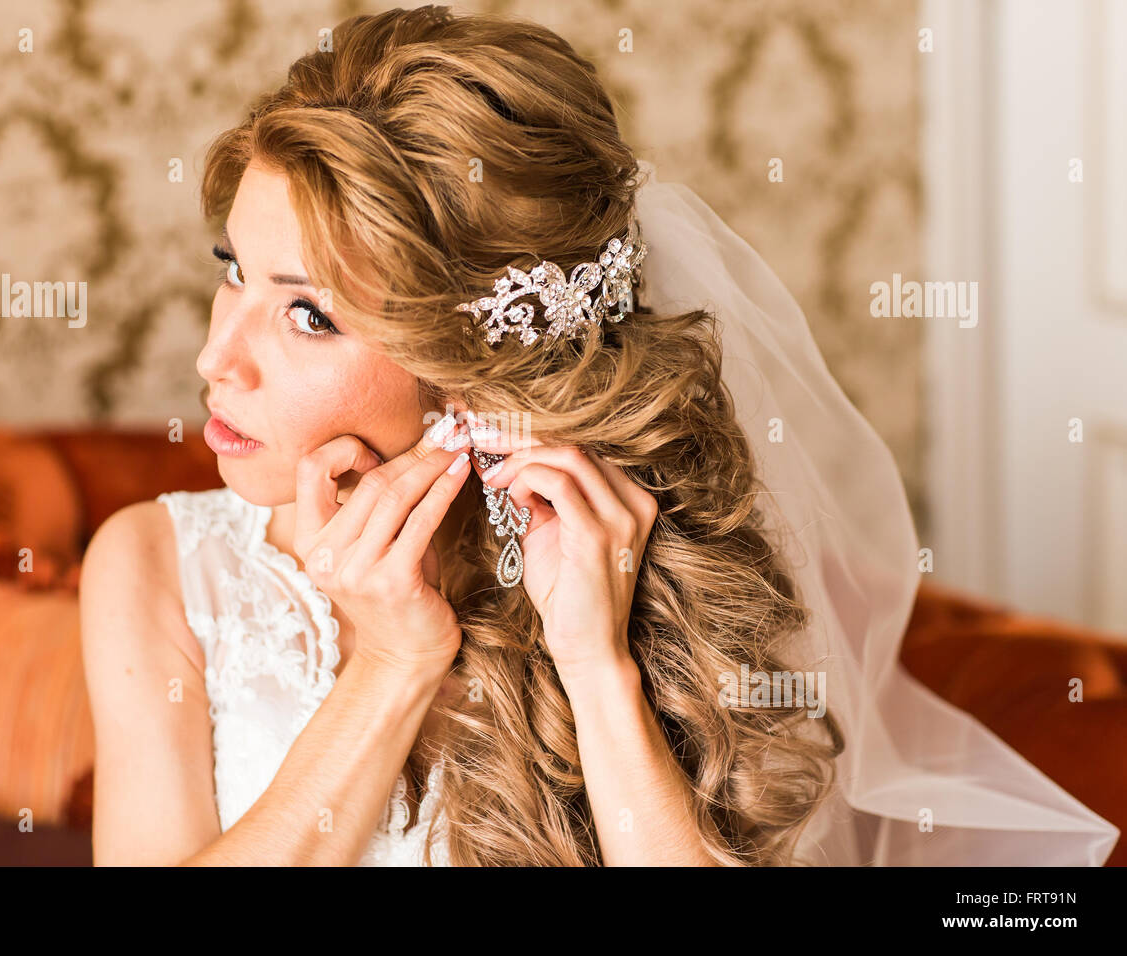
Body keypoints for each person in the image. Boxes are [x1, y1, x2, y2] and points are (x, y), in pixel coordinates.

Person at [79, 5, 1119, 867]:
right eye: (232, 272)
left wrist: (594, 662)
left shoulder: (641, 558)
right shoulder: (158, 566)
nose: (220, 356)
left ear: (469, 365)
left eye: (308, 314)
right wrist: (391, 666)